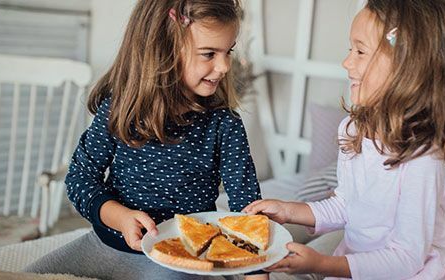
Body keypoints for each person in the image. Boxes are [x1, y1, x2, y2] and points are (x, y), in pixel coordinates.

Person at [24, 1, 266, 279]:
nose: (224, 66)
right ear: (163, 51)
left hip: (179, 259)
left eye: (228, 51)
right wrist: (119, 217)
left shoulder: (225, 124)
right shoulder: (118, 108)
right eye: (209, 53)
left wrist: (256, 273)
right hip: (103, 245)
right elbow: (80, 177)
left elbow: (247, 211)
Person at [243, 0, 445, 279]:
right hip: (355, 265)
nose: (346, 62)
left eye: (360, 51)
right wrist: (288, 210)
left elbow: (406, 259)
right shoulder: (354, 129)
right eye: (349, 49)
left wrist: (321, 264)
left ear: (408, 66)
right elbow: (346, 205)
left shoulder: (425, 159)